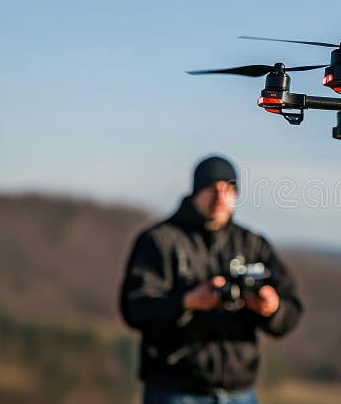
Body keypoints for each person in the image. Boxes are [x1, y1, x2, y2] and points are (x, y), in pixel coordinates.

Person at [119, 155, 302, 404]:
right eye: (211, 188)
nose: (219, 197)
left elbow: (291, 310)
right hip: (175, 389)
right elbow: (135, 308)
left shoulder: (252, 245)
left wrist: (271, 308)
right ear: (195, 191)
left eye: (227, 189)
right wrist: (187, 301)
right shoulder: (160, 241)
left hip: (240, 391)